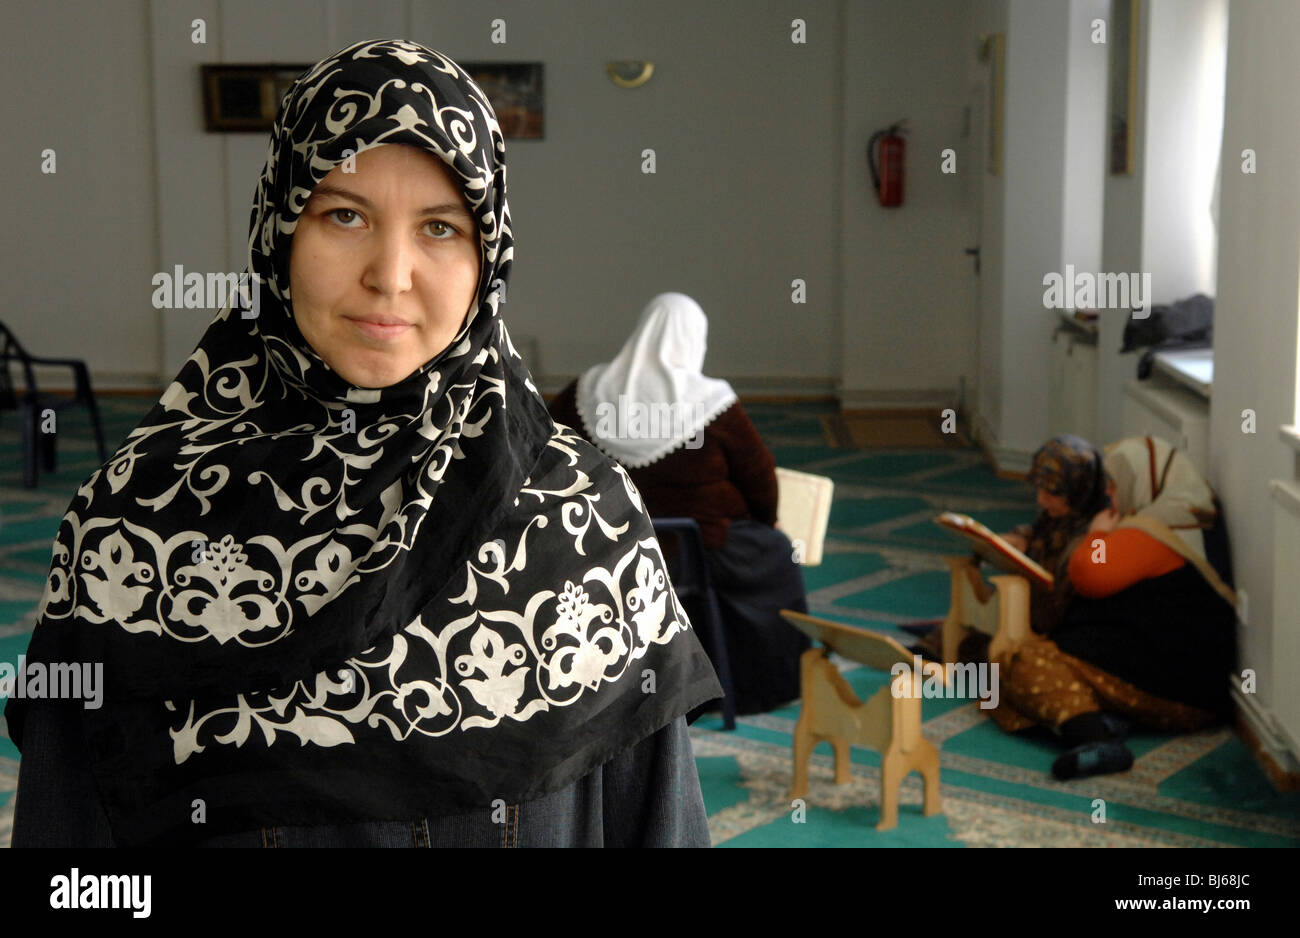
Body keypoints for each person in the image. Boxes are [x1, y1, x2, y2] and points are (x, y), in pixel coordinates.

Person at [5, 39, 722, 847]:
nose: (391, 272)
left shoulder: (580, 522)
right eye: (344, 215)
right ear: (280, 229)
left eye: (442, 227)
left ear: (488, 255)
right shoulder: (129, 532)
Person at [549, 293, 809, 715]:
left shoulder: (588, 389)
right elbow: (760, 476)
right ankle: (758, 687)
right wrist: (768, 521)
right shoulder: (712, 401)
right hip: (699, 553)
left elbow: (550, 455)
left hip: (610, 550)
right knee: (776, 554)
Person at [989, 435, 1237, 780]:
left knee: (1019, 660)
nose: (1112, 497)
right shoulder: (1193, 514)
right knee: (1000, 677)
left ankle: (1094, 738)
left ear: (1143, 482)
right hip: (1192, 686)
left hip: (1173, 690)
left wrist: (1096, 535)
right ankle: (1104, 718)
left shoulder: (1154, 531)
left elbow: (1088, 573)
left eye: (1118, 487)